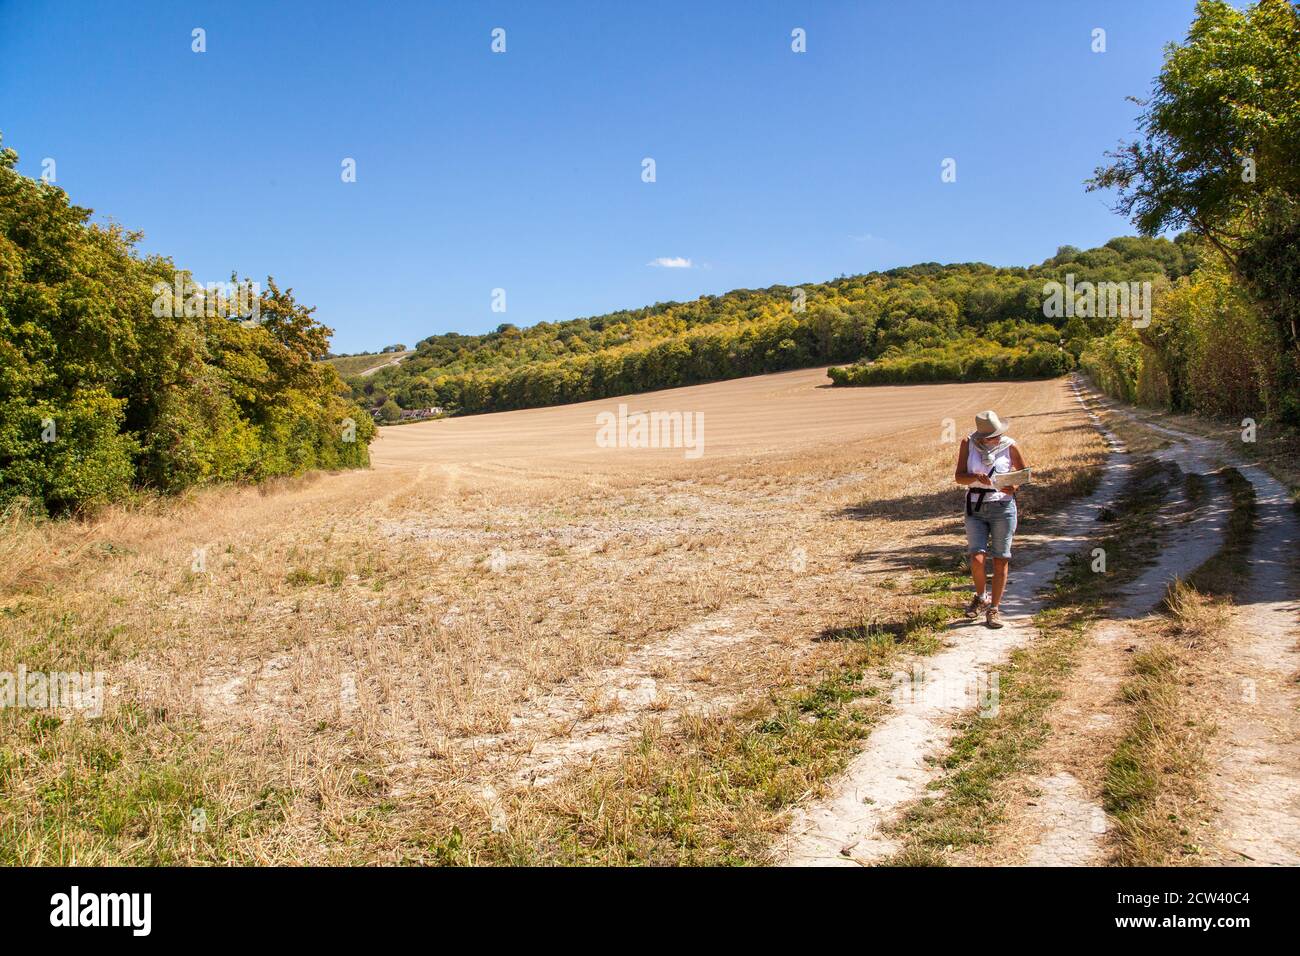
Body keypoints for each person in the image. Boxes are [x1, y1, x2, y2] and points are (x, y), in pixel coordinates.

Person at [953, 410, 1027, 628]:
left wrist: (1013, 486)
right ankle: (980, 596)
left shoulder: (1010, 445)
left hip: (1003, 507)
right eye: (990, 436)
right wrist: (976, 477)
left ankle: (994, 609)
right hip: (975, 507)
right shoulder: (968, 444)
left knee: (1001, 558)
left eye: (997, 434)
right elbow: (958, 477)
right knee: (977, 558)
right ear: (980, 436)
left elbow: (1025, 474)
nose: (995, 438)